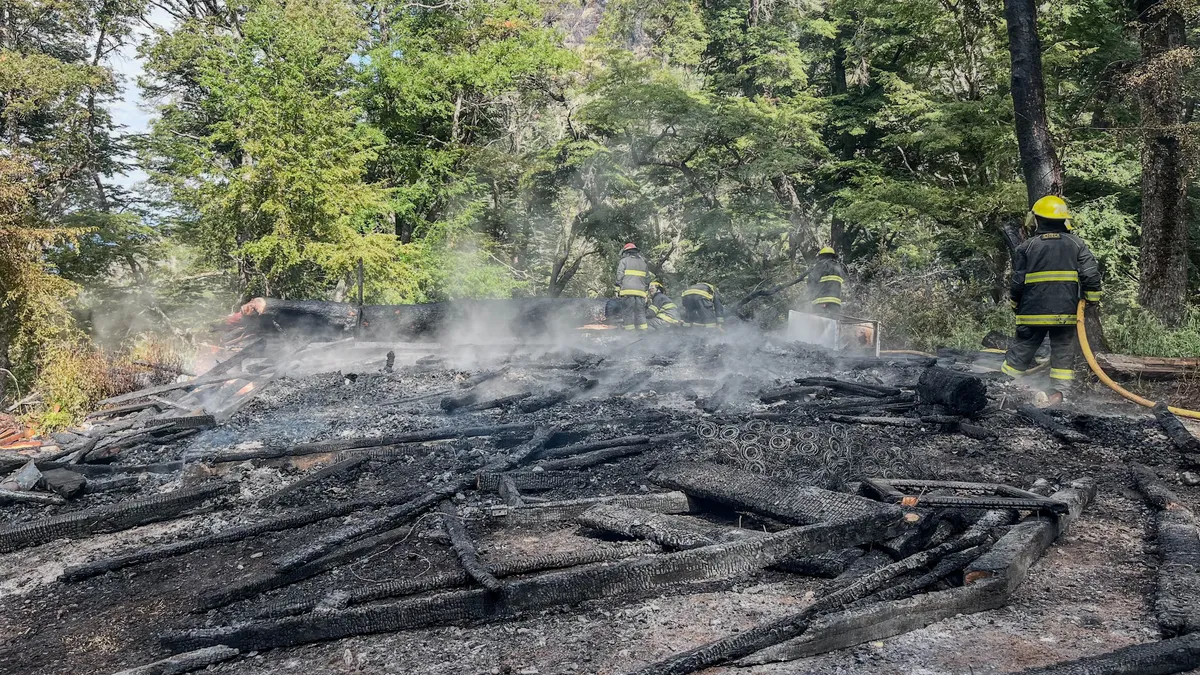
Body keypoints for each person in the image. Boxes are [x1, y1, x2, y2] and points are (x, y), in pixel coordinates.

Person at [1002, 195, 1102, 407]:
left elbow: (1018, 282)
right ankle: (1058, 396)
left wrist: (1014, 304)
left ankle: (1003, 389)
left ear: (1036, 219)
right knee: (1063, 356)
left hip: (1031, 314)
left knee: (1020, 353)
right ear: (1064, 220)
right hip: (1065, 314)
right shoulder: (1076, 244)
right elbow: (1091, 275)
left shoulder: (1026, 247)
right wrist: (1092, 301)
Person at [614, 242, 650, 331]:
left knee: (628, 313)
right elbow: (648, 279)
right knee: (640, 313)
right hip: (641, 293)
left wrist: (617, 289)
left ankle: (630, 335)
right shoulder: (643, 263)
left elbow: (619, 275)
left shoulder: (624, 261)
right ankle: (644, 334)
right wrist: (646, 293)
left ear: (626, 252)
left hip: (627, 292)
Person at [807, 246, 848, 316]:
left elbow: (810, 282)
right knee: (833, 324)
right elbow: (845, 285)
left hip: (820, 303)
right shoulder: (839, 268)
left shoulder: (820, 266)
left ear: (821, 256)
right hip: (835, 304)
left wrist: (810, 296)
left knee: (818, 324)